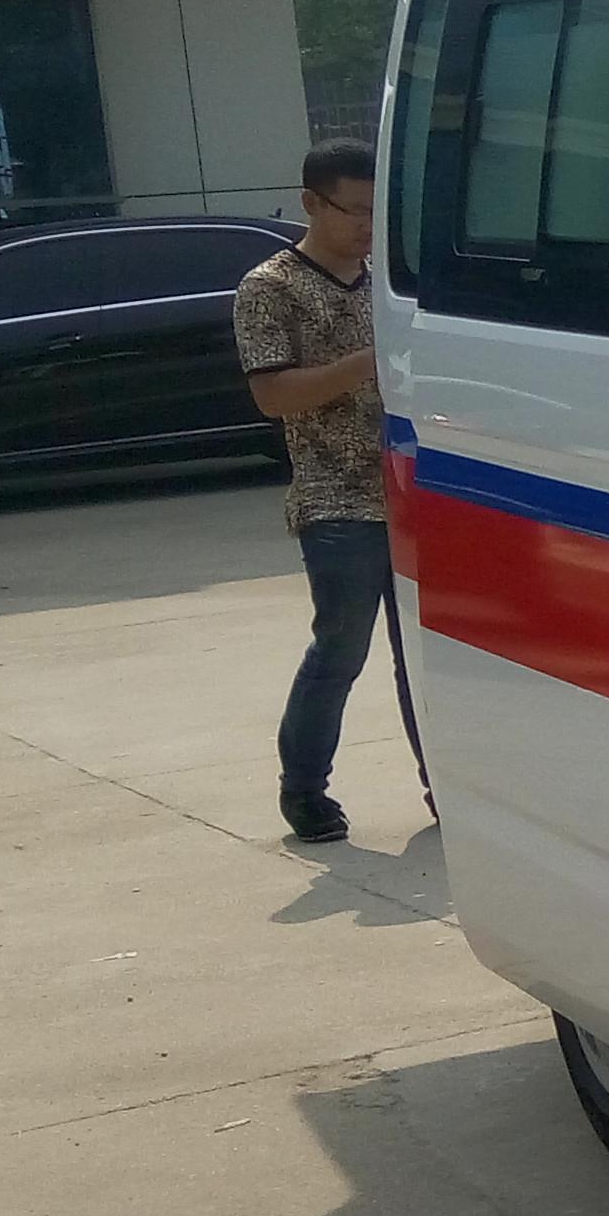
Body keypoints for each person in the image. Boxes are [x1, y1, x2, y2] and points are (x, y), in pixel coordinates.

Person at [233, 137, 414, 843]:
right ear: (312, 203)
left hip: (416, 493)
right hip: (336, 497)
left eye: (379, 212)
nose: (369, 226)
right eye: (356, 211)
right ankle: (305, 790)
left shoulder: (392, 282)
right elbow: (274, 395)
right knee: (341, 647)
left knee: (424, 655)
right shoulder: (270, 287)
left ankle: (445, 787)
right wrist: (373, 360)